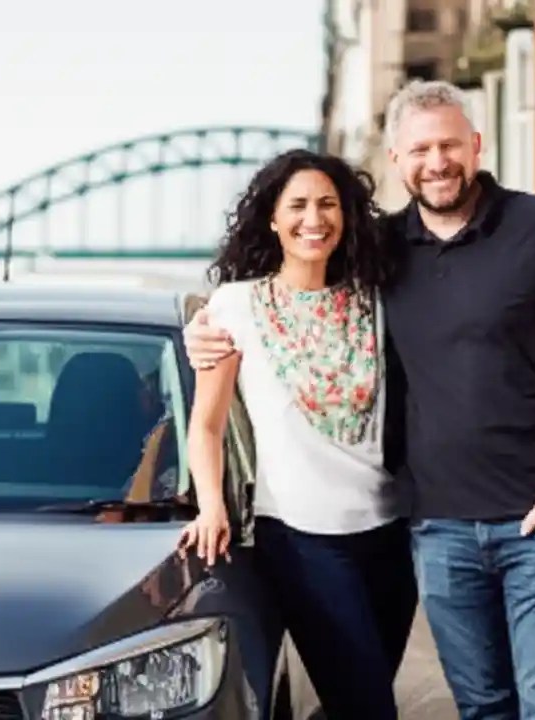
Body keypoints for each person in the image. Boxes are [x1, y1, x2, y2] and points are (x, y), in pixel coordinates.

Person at [183, 80, 535, 720]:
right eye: (420, 149)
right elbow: (212, 414)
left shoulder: (516, 236)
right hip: (408, 529)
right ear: (396, 160)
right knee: (470, 702)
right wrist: (201, 334)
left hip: (477, 522)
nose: (436, 161)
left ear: (476, 146)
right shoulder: (338, 269)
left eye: (449, 145)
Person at [176, 147, 417, 720]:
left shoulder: (377, 297)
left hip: (391, 535)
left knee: (357, 698)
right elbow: (205, 426)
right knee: (369, 709)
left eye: (329, 204)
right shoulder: (235, 306)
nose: (316, 219)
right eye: (300, 205)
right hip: (303, 540)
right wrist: (211, 507)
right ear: (273, 218)